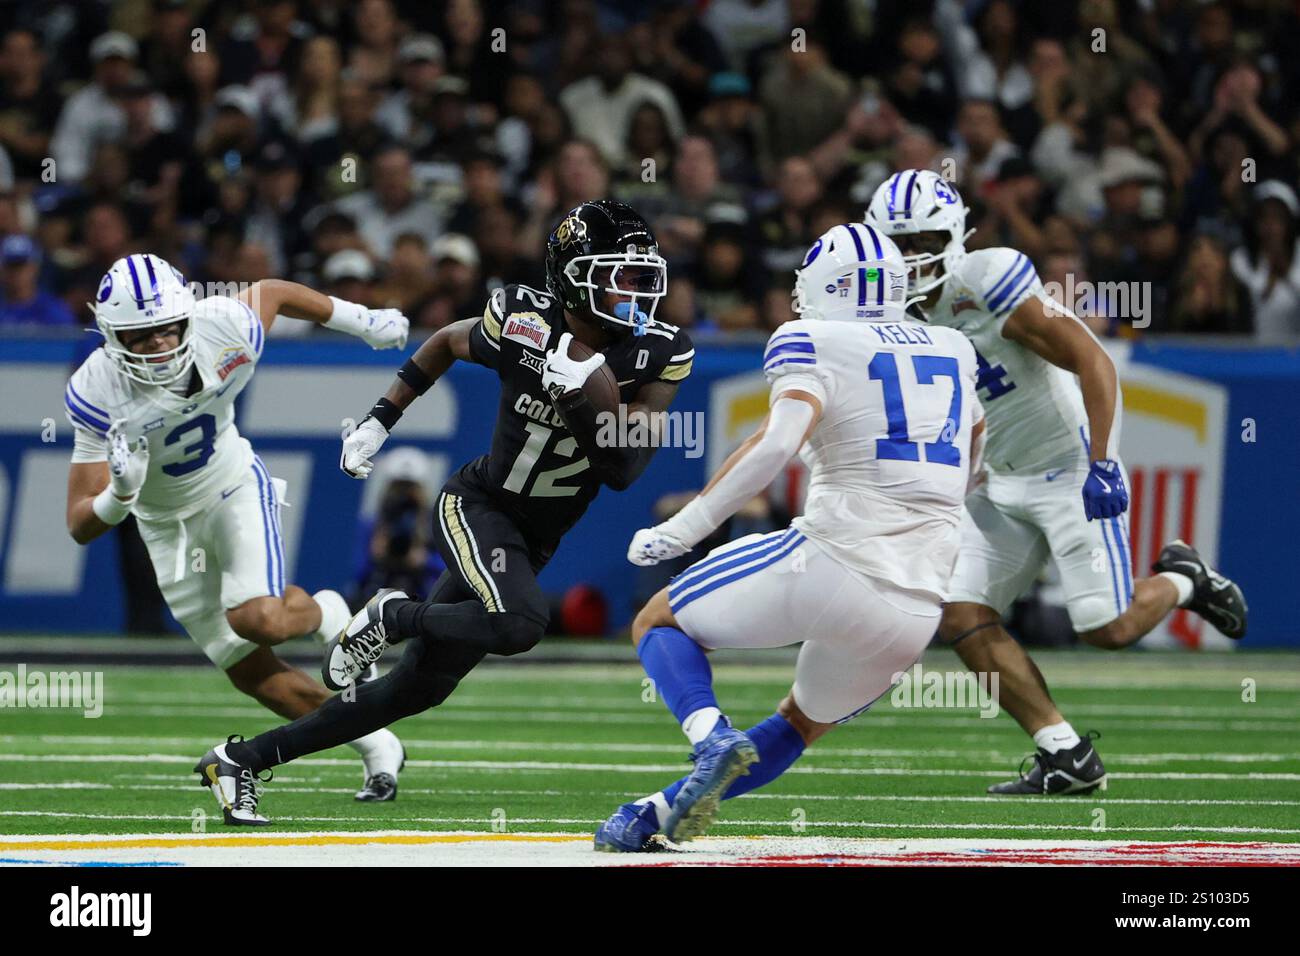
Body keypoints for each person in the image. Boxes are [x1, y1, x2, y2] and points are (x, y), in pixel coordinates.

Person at [195, 199, 694, 825]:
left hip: (536, 535)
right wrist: (382, 417)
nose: (637, 292)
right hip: (480, 505)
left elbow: (624, 469)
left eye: (643, 276)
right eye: (619, 275)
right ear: (572, 274)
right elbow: (447, 342)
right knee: (520, 624)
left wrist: (585, 395)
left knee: (416, 688)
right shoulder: (523, 320)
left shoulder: (659, 350)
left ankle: (239, 760)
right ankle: (391, 612)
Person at [594, 223, 983, 851]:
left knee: (657, 621)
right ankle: (651, 815)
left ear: (830, 287)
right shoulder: (954, 347)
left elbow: (776, 442)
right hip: (917, 607)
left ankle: (710, 735)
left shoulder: (812, 337)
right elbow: (974, 462)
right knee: (798, 724)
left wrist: (684, 527)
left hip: (833, 560)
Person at [865, 170, 1247, 794]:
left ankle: (1183, 579)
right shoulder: (882, 311)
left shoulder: (984, 281)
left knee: (1108, 629)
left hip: (1067, 468)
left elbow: (1092, 358)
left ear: (955, 234)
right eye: (899, 243)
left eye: (925, 239)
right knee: (959, 613)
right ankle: (1064, 754)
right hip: (999, 480)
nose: (912, 257)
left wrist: (1103, 460)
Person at [64, 254, 410, 823]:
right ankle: (376, 742)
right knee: (255, 676)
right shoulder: (97, 388)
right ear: (110, 336)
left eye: (165, 330)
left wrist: (361, 321)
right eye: (138, 336)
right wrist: (119, 496)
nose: (155, 346)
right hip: (163, 524)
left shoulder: (222, 325)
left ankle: (325, 611)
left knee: (259, 619)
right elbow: (81, 524)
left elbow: (273, 292)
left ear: (187, 318)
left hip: (229, 485)